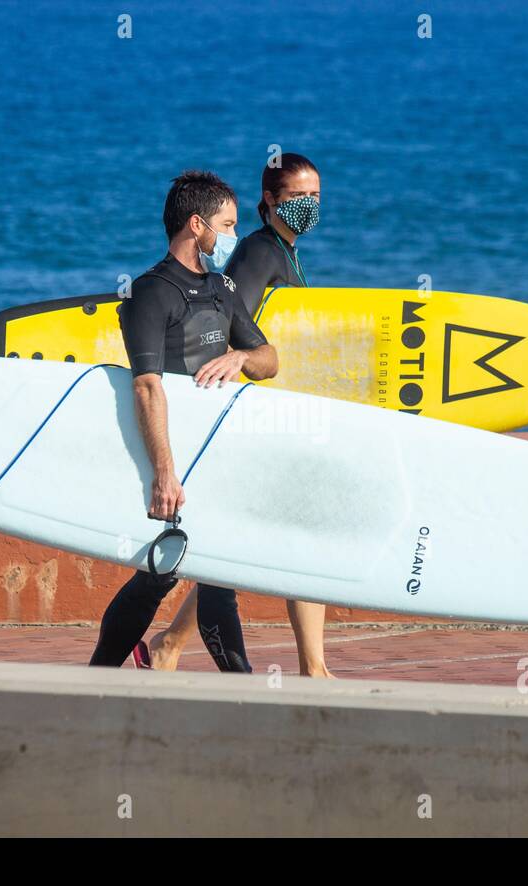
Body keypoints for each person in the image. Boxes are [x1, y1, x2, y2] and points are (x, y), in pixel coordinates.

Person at [143, 154, 335, 677]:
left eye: (316, 196)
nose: (309, 206)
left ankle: (170, 645)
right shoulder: (257, 251)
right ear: (269, 202)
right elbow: (228, 320)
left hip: (273, 409)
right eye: (298, 196)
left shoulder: (284, 252)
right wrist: (240, 358)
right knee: (280, 531)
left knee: (271, 535)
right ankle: (308, 667)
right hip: (249, 413)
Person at [88, 170, 279, 672]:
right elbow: (147, 384)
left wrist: (240, 358)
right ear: (197, 225)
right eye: (227, 224)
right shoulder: (150, 293)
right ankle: (100, 674)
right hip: (173, 454)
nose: (234, 236)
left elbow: (270, 359)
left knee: (214, 569)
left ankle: (239, 687)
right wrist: (164, 473)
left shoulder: (220, 288)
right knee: (163, 574)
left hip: (217, 452)